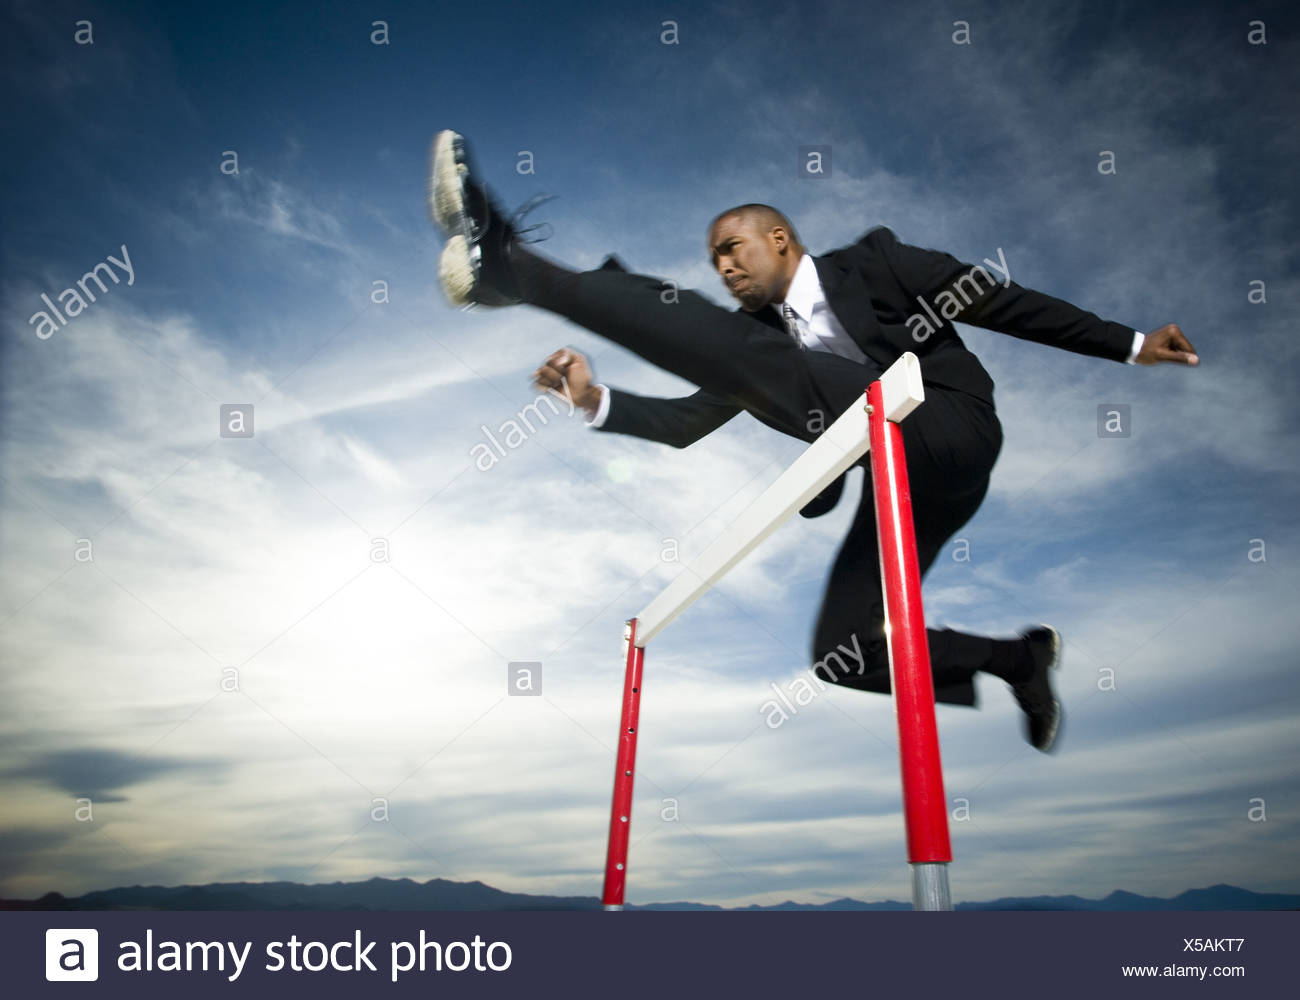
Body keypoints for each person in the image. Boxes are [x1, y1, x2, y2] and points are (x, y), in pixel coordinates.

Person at [428, 130, 1199, 752]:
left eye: (734, 249)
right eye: (715, 261)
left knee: (763, 363)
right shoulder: (753, 339)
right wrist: (595, 399)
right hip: (893, 477)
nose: (724, 267)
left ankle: (515, 266)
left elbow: (1002, 302)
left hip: (950, 430)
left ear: (780, 239)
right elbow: (689, 421)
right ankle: (1014, 660)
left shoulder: (881, 262)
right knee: (842, 653)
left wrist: (1128, 344)